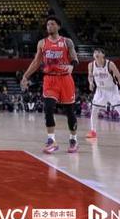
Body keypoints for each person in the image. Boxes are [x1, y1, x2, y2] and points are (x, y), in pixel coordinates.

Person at [20, 16, 80, 154]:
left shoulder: (67, 41)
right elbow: (36, 62)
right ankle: (51, 140)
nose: (49, 26)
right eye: (48, 24)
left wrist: (72, 65)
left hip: (65, 79)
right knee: (48, 108)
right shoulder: (42, 43)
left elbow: (74, 57)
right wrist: (25, 76)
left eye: (52, 24)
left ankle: (73, 140)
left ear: (58, 26)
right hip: (50, 79)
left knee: (69, 112)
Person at [86, 48, 120, 141]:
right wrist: (90, 83)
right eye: (95, 52)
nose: (96, 53)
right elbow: (90, 76)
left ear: (103, 55)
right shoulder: (91, 65)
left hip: (112, 90)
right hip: (100, 90)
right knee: (94, 110)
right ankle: (93, 131)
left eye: (98, 52)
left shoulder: (110, 64)